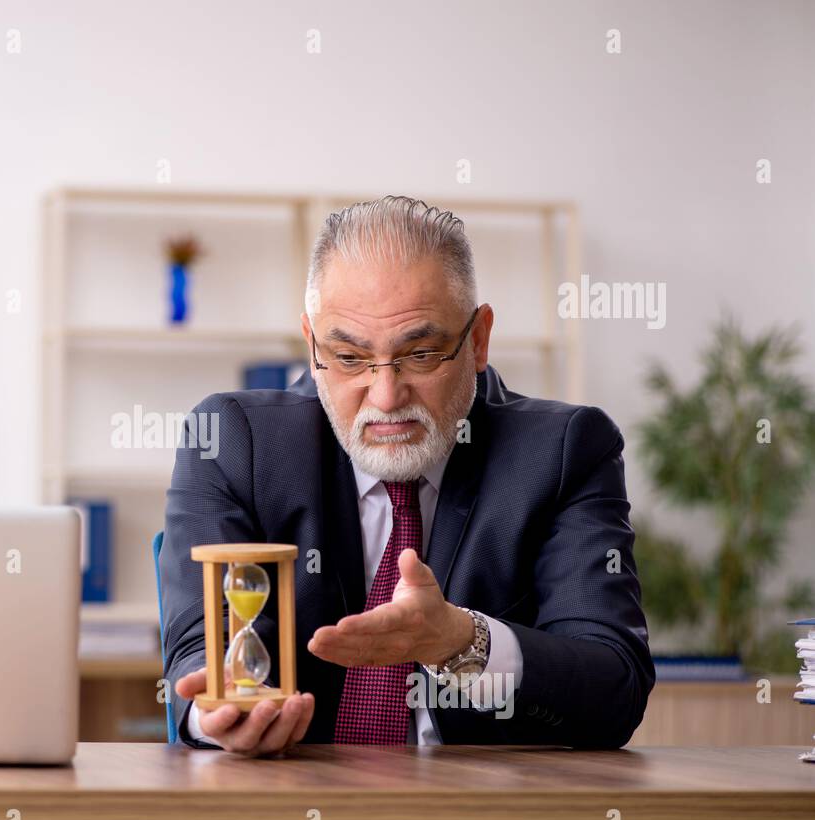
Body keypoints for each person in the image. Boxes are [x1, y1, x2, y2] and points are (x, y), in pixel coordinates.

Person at [159, 196, 653, 756]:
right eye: (348, 357)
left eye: (420, 354)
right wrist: (215, 713)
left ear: (479, 339)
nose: (387, 397)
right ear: (312, 343)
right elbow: (201, 648)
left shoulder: (564, 451)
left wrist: (465, 642)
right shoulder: (234, 440)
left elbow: (615, 687)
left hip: (484, 819)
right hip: (285, 805)